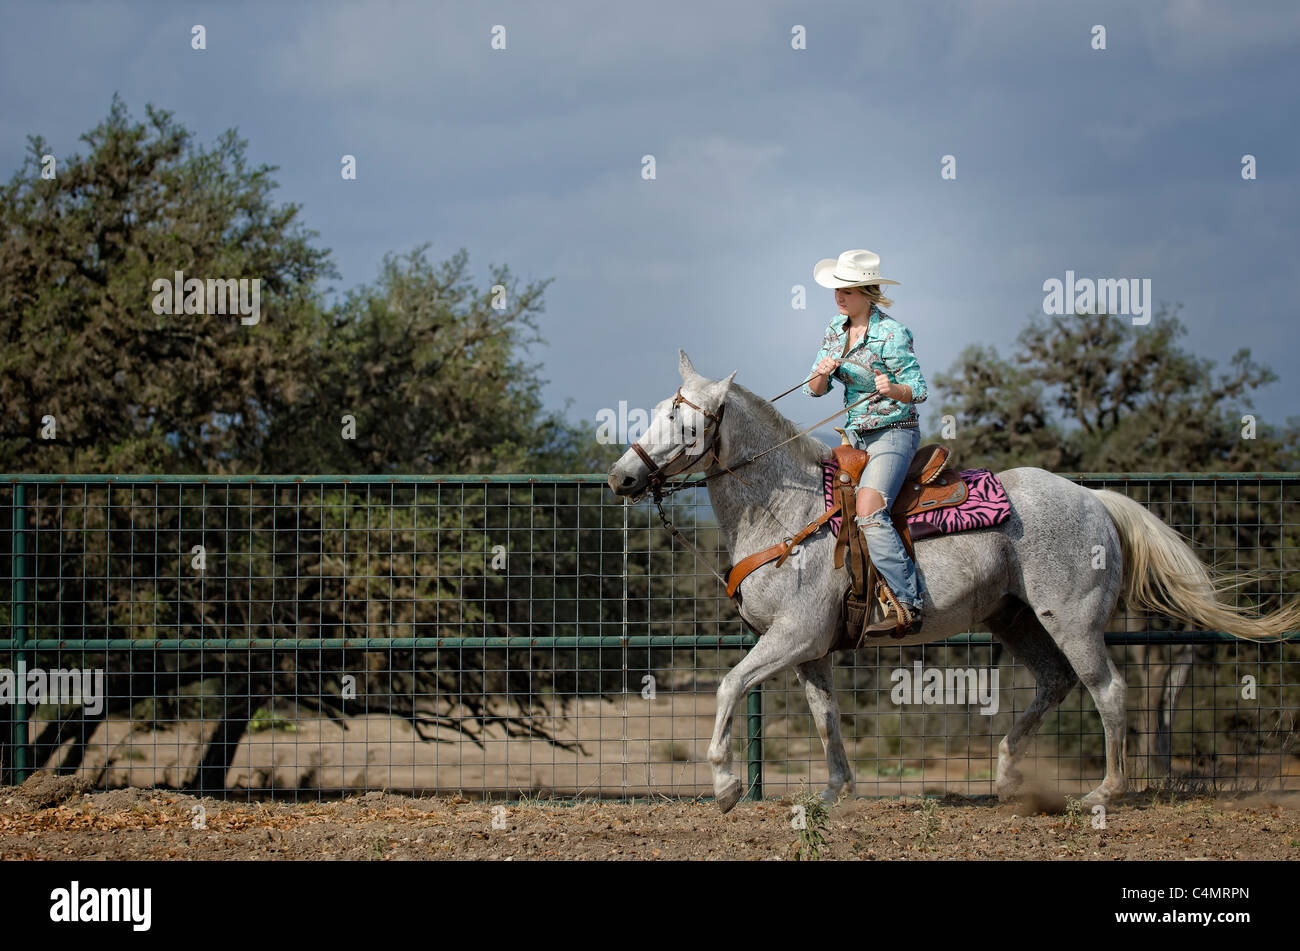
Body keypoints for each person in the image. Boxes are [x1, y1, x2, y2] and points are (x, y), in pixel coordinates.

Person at [802, 249, 929, 634]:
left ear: (868, 292)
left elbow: (919, 389)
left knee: (870, 509)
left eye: (848, 290)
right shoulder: (834, 329)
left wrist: (893, 388)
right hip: (854, 437)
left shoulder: (892, 333)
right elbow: (814, 390)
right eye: (837, 289)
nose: (840, 297)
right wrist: (823, 374)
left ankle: (907, 602)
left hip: (895, 432)